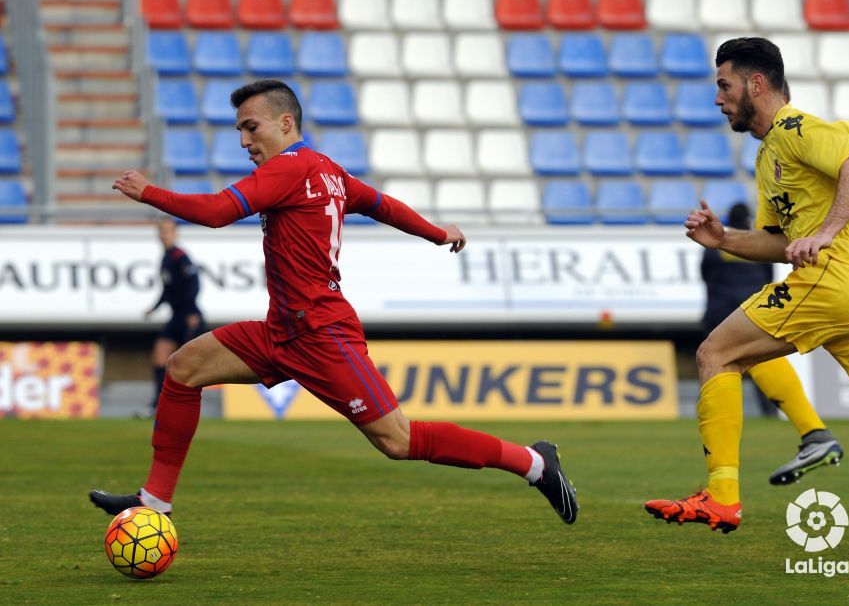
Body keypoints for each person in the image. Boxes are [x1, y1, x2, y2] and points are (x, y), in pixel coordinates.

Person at [89, 79, 578, 524]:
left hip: (322, 334)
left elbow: (218, 211)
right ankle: (154, 499)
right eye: (239, 130)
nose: (243, 141)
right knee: (183, 368)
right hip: (281, 331)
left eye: (250, 127)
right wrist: (434, 232)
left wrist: (149, 192)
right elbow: (381, 204)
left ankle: (534, 463)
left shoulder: (290, 168)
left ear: (286, 123)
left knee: (398, 440)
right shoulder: (327, 171)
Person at [645, 37, 849, 534]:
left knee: (716, 355)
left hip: (836, 279)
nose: (718, 99)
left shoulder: (795, 128)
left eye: (724, 86)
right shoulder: (770, 157)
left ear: (755, 84)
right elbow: (779, 241)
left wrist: (827, 231)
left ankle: (721, 498)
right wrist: (723, 239)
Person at [700, 202, 778, 418]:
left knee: (715, 360)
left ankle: (715, 411)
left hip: (719, 311)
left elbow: (705, 275)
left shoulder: (717, 247)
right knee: (760, 363)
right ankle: (770, 410)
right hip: (751, 314)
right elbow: (768, 276)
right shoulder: (755, 246)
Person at [141, 217, 206, 417]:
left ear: (175, 233)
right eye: (162, 230)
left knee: (188, 366)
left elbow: (194, 284)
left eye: (168, 230)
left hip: (188, 317)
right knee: (159, 357)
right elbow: (167, 290)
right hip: (175, 317)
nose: (165, 234)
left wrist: (191, 312)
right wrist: (154, 307)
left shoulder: (180, 256)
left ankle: (187, 407)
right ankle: (157, 405)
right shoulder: (165, 259)